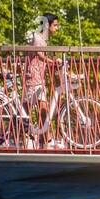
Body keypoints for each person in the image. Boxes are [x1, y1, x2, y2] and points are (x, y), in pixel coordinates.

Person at [24, 14, 63, 148]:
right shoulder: (37, 37)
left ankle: (44, 139)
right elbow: (39, 54)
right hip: (33, 77)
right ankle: (16, 136)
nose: (57, 28)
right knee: (27, 110)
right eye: (55, 25)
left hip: (38, 78)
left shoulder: (43, 39)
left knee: (42, 110)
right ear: (47, 25)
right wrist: (52, 62)